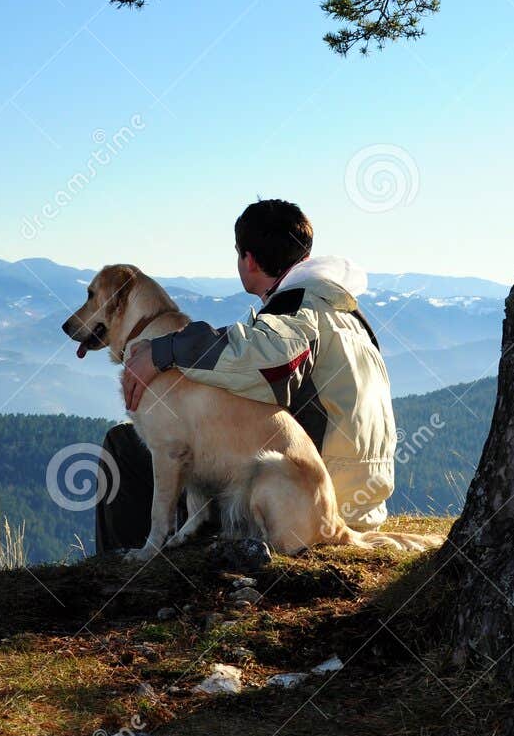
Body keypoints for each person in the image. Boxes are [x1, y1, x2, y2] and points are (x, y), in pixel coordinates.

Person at [94, 199, 397, 554]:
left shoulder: (296, 311)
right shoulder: (346, 315)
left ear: (248, 260)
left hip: (304, 499)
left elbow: (267, 361)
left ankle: (128, 567)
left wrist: (165, 351)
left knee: (128, 447)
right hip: (356, 501)